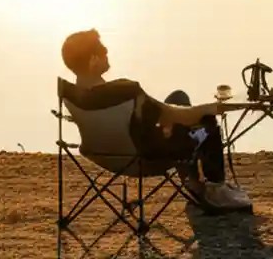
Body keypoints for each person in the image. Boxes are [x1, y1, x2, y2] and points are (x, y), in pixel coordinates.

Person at [60, 29, 252, 211]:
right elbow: (178, 115)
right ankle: (215, 190)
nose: (107, 51)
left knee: (178, 97)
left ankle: (193, 182)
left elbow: (155, 115)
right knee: (207, 122)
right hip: (146, 158)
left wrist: (163, 121)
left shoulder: (74, 96)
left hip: (102, 155)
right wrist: (212, 108)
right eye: (102, 49)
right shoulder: (125, 91)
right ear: (93, 60)